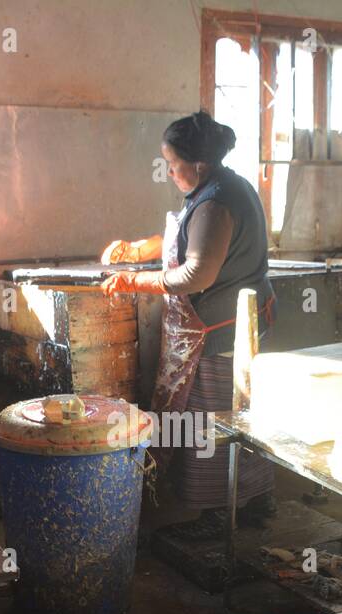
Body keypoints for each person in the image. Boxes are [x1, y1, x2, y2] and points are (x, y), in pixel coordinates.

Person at [99, 111, 275, 539]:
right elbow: (195, 235)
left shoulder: (216, 201)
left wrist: (134, 281)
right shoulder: (222, 186)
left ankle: (218, 515)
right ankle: (252, 500)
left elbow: (197, 274)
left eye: (173, 164)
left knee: (211, 423)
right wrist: (145, 246)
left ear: (197, 163)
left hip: (221, 332)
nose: (169, 172)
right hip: (238, 322)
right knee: (235, 419)